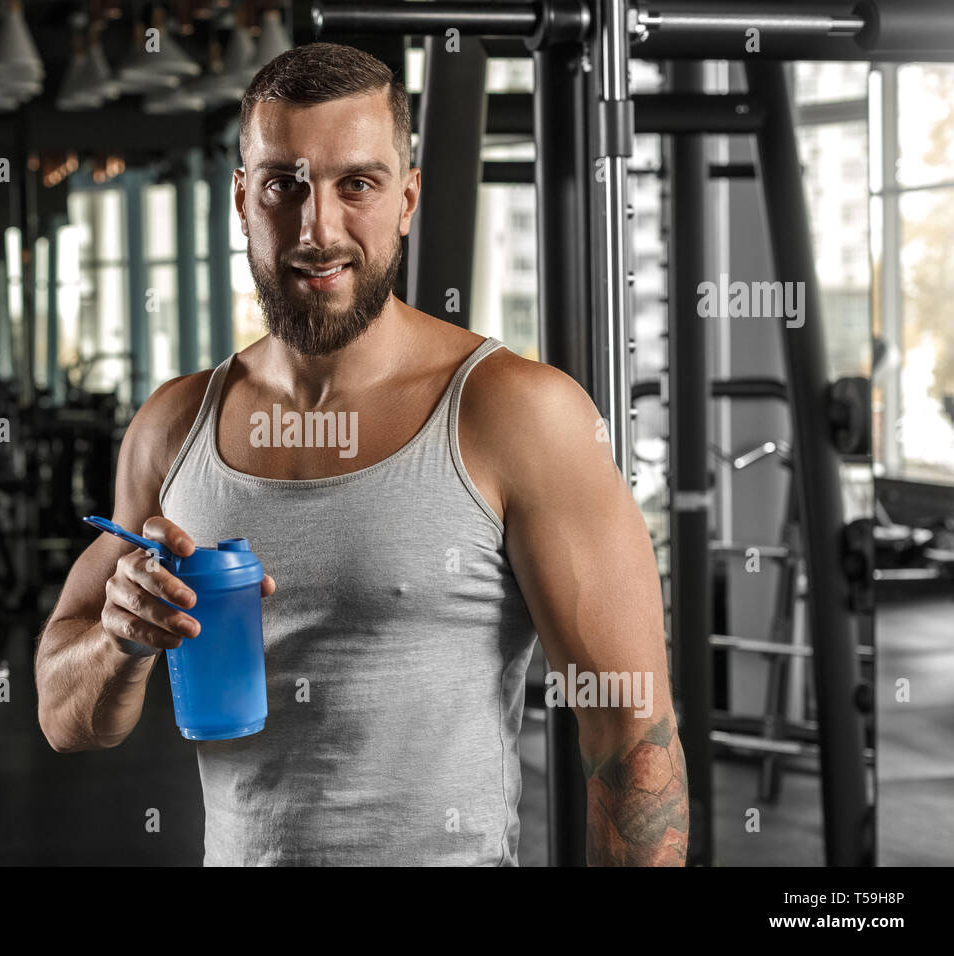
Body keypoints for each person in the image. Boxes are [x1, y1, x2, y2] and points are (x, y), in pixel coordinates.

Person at [35, 42, 688, 866]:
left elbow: (631, 733)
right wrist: (120, 642)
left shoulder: (518, 415)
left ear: (407, 198)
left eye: (358, 184)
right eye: (284, 185)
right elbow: (67, 721)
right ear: (242, 199)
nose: (318, 229)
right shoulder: (173, 427)